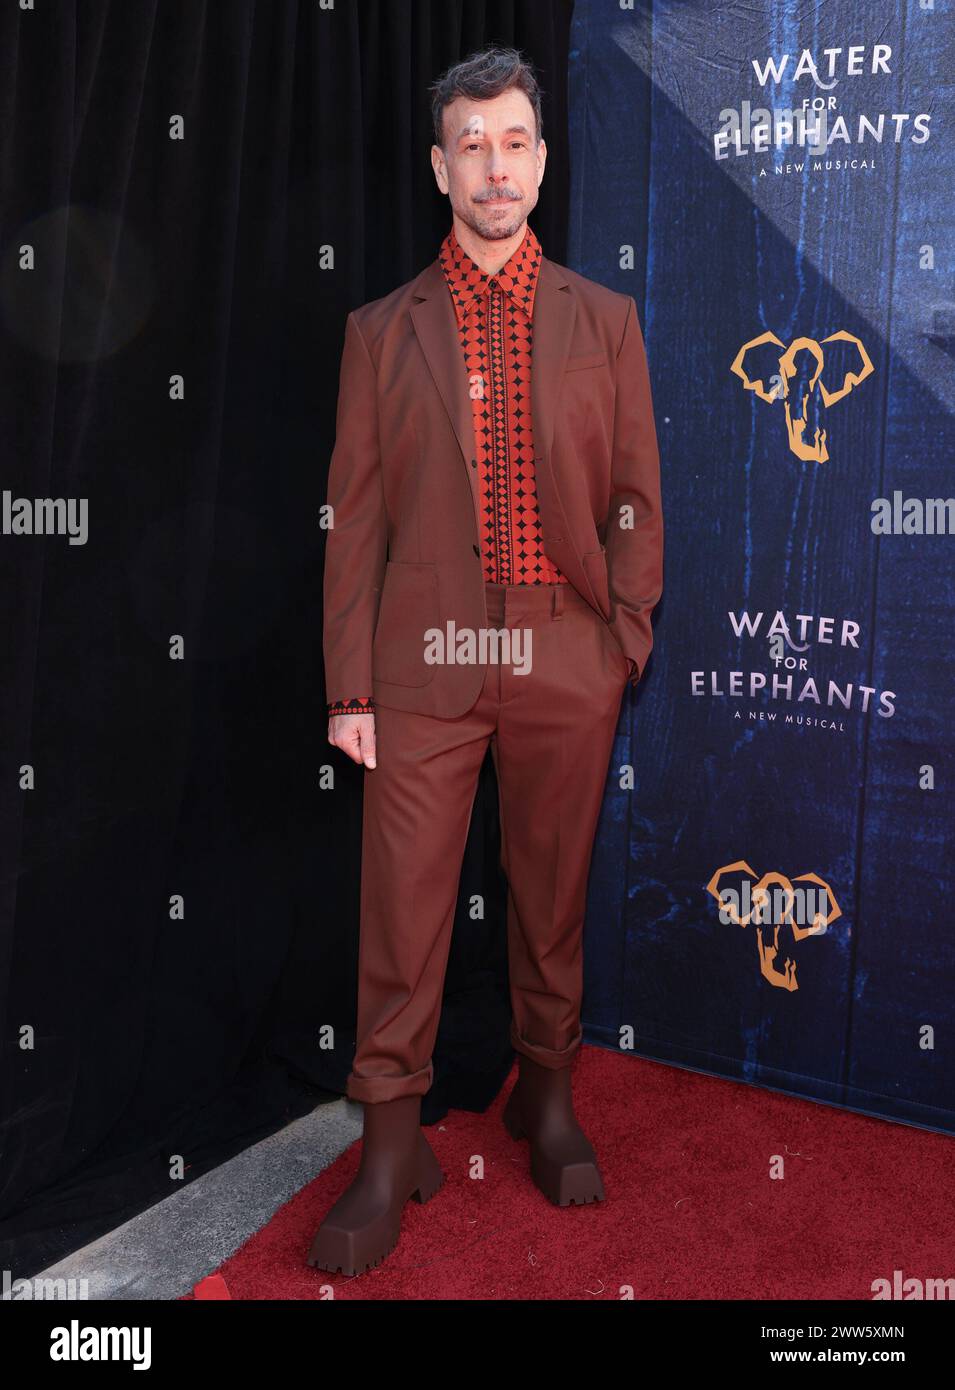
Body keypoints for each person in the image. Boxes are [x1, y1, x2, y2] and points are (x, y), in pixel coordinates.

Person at [309, 44, 663, 1276]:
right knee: (401, 911)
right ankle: (388, 1146)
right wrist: (349, 684)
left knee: (549, 892)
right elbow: (352, 517)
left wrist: (623, 634)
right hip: (419, 658)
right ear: (439, 165)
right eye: (471, 143)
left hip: (567, 646)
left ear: (542, 160)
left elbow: (632, 495)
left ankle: (547, 1100)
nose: (494, 165)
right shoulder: (378, 330)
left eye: (514, 142)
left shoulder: (604, 320)